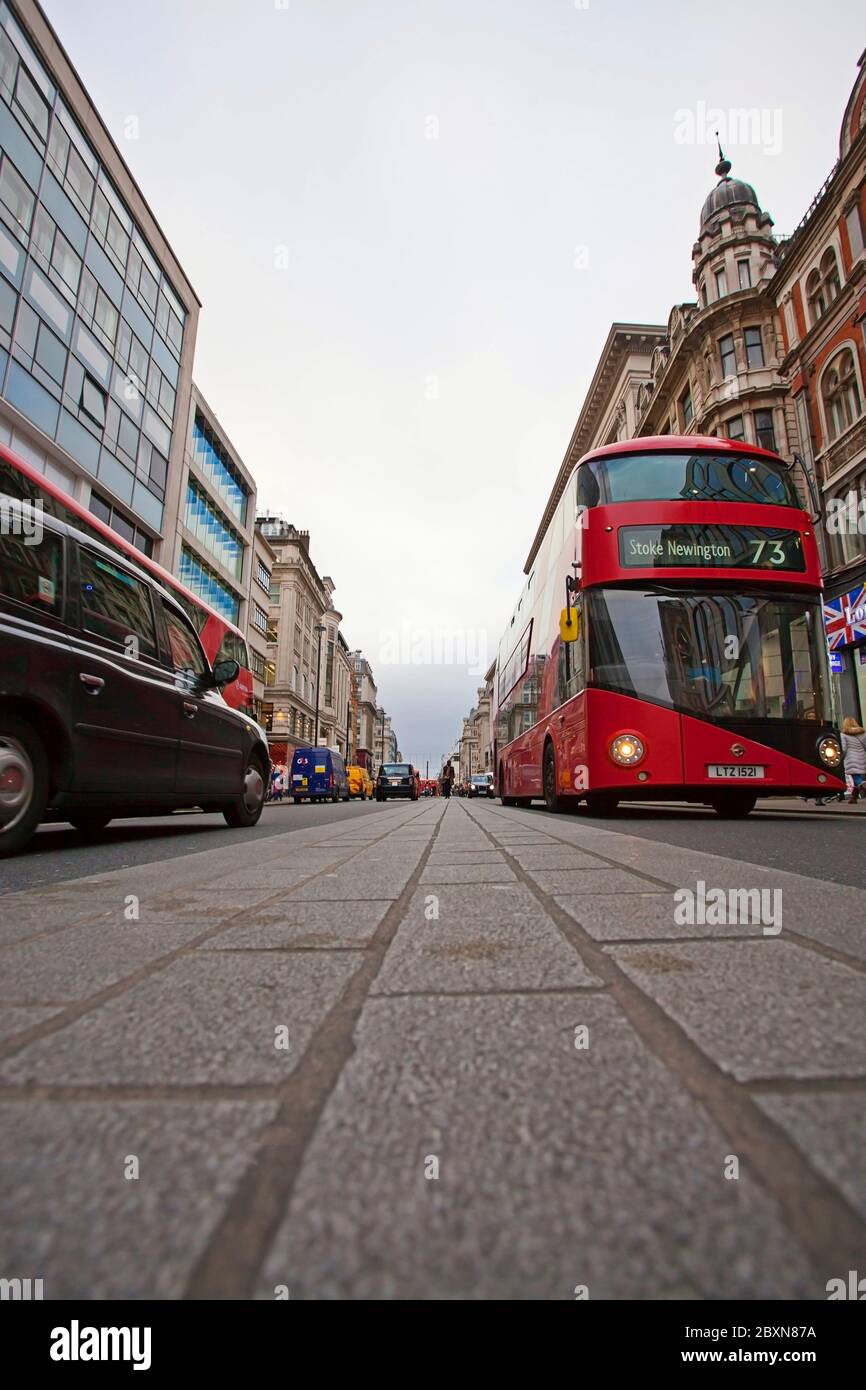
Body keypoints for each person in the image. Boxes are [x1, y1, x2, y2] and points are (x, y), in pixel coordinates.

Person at [841, 717, 866, 805]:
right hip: (862, 757)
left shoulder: (843, 735)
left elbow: (843, 749)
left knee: (856, 778)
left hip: (850, 758)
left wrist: (841, 759)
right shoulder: (862, 733)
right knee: (856, 777)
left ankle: (864, 785)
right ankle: (854, 798)